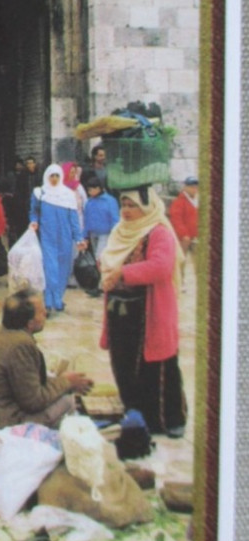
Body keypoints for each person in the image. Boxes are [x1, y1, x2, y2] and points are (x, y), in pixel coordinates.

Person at [100, 186, 187, 438]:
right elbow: (108, 260)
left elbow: (161, 266)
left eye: (132, 205)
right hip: (121, 312)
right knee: (124, 366)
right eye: (123, 205)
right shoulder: (120, 231)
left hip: (151, 313)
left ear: (147, 208)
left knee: (158, 367)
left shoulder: (159, 233)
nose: (126, 211)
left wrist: (124, 273)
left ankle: (169, 420)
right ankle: (136, 416)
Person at [0, 287, 93, 430]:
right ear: (30, 323)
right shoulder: (20, 345)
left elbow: (26, 384)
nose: (45, 313)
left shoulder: (5, 331)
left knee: (59, 391)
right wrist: (67, 382)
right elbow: (33, 401)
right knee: (67, 401)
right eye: (41, 312)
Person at [30, 164, 87, 314]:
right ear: (47, 176)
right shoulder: (39, 193)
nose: (54, 179)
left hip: (65, 237)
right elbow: (34, 211)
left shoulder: (68, 195)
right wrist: (34, 221)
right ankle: (48, 301)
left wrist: (79, 238)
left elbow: (74, 219)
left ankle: (58, 299)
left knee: (64, 269)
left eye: (57, 176)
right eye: (51, 176)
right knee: (50, 268)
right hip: (48, 236)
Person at [83, 174, 120, 277]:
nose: (89, 192)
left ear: (98, 188)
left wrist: (115, 234)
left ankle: (102, 282)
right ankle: (100, 281)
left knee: (100, 257)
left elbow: (115, 219)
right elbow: (86, 220)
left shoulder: (110, 201)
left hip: (106, 233)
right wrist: (85, 236)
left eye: (91, 189)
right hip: (93, 234)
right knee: (97, 258)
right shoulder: (89, 202)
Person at [169, 176, 199, 255]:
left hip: (196, 239)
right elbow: (176, 220)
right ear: (185, 187)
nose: (194, 189)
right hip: (184, 239)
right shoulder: (179, 202)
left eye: (196, 187)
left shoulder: (197, 201)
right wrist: (184, 234)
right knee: (182, 261)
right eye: (191, 187)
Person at [14, 155, 41, 234]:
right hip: (25, 203)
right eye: (28, 163)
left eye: (31, 163)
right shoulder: (22, 176)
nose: (30, 165)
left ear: (35, 164)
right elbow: (18, 190)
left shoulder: (38, 175)